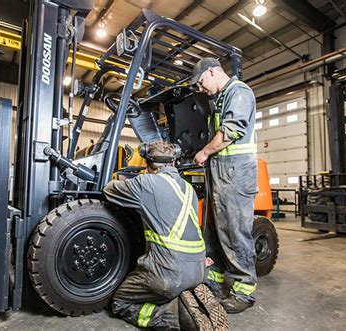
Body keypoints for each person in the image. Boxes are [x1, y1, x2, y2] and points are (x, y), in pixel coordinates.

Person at [104, 141, 226, 330]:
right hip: (199, 270)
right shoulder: (189, 189)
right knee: (164, 287)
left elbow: (109, 189)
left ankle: (178, 320)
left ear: (147, 162)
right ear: (173, 162)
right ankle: (187, 297)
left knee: (121, 303)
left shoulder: (146, 183)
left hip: (167, 274)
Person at [191, 58, 258, 313]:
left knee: (235, 232)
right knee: (214, 232)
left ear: (211, 71)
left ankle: (244, 291)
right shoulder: (218, 100)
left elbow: (230, 131)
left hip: (236, 175)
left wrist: (205, 152)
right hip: (221, 175)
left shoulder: (239, 92)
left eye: (200, 83)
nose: (200, 89)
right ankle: (215, 280)